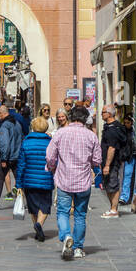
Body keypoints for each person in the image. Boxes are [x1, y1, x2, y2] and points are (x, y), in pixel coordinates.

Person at [46, 104, 102, 260]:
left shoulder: (60, 133)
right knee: (80, 215)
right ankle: (78, 248)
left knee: (63, 212)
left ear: (70, 117)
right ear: (85, 119)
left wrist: (51, 168)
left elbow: (50, 156)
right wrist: (90, 163)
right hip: (83, 181)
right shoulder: (91, 136)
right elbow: (97, 160)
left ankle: (66, 236)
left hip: (64, 180)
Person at [15, 115, 54, 240]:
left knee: (33, 207)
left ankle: (37, 227)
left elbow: (21, 165)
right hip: (46, 179)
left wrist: (19, 184)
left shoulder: (26, 142)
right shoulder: (50, 143)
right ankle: (39, 225)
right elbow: (54, 161)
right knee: (45, 205)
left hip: (29, 180)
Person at [100, 104, 124, 217]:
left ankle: (114, 210)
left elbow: (112, 148)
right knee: (108, 185)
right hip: (108, 162)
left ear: (109, 114)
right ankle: (112, 208)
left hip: (112, 163)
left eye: (103, 112)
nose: (101, 114)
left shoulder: (113, 129)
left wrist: (107, 165)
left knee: (112, 184)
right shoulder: (110, 126)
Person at [118, 112, 136, 206]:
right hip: (128, 157)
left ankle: (131, 197)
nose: (126, 125)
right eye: (125, 123)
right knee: (127, 176)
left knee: (133, 177)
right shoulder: (123, 131)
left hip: (134, 155)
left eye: (128, 123)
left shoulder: (135, 131)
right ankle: (124, 197)